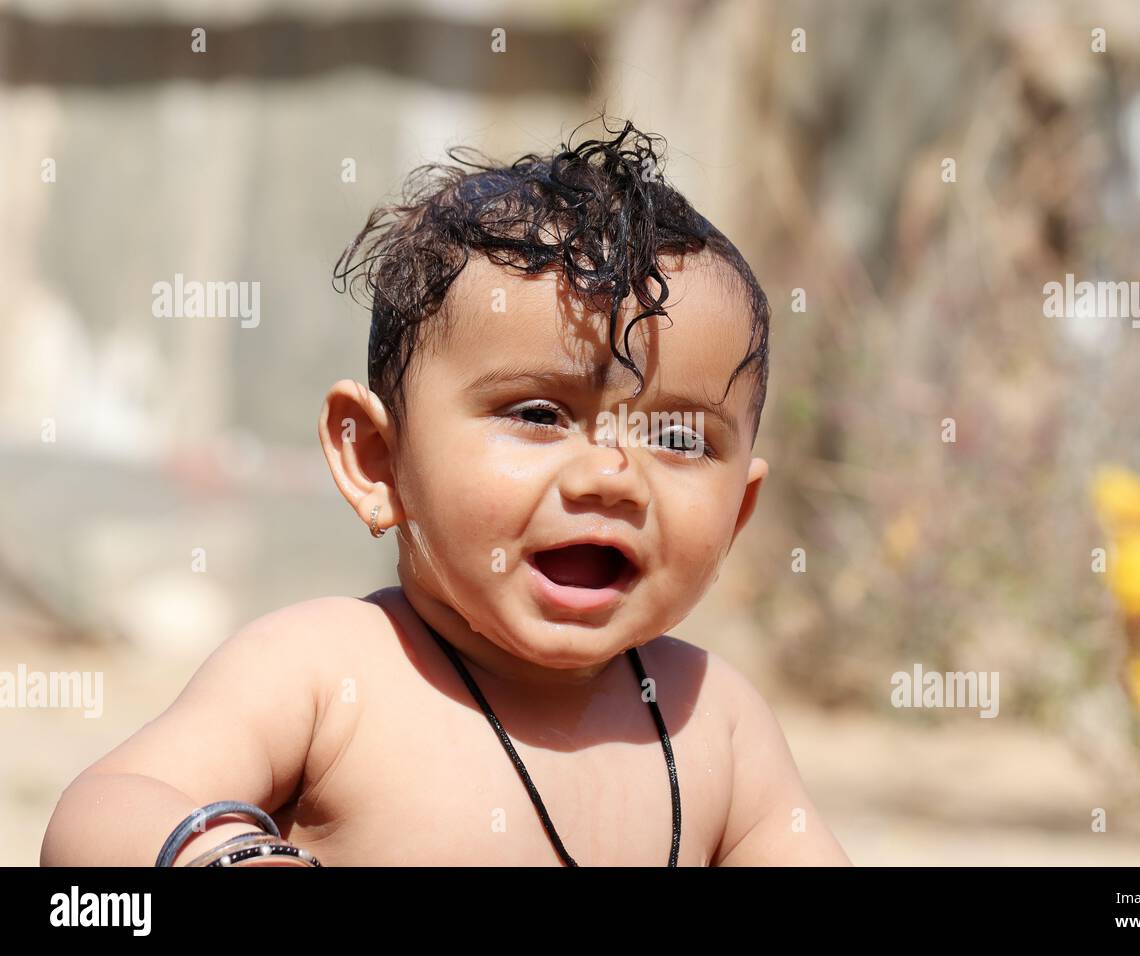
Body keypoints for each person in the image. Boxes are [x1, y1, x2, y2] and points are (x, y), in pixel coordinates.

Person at [40, 116, 853, 867]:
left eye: (678, 437)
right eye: (539, 414)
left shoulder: (715, 724)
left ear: (739, 513)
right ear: (378, 463)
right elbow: (98, 820)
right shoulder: (327, 674)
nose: (613, 475)